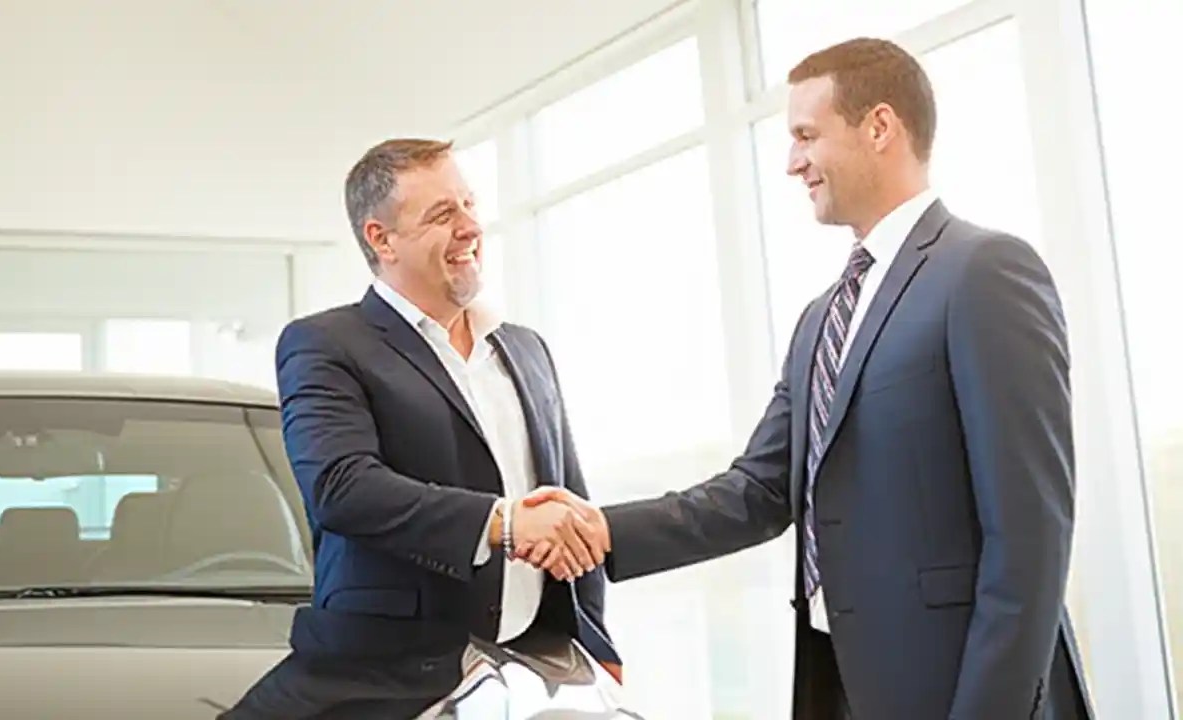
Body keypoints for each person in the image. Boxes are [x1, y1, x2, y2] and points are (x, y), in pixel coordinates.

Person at [522, 38, 1094, 719]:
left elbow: (1031, 536)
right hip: (846, 682)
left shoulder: (984, 270)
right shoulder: (821, 319)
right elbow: (757, 491)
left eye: (805, 135)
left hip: (966, 688)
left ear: (879, 127)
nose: (793, 163)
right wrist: (598, 529)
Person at [273, 138, 622, 705]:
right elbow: (343, 488)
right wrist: (501, 523)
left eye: (469, 205)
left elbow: (568, 499)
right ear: (380, 238)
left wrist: (597, 645)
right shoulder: (324, 344)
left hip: (537, 672)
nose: (469, 227)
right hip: (391, 680)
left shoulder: (525, 348)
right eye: (442, 214)